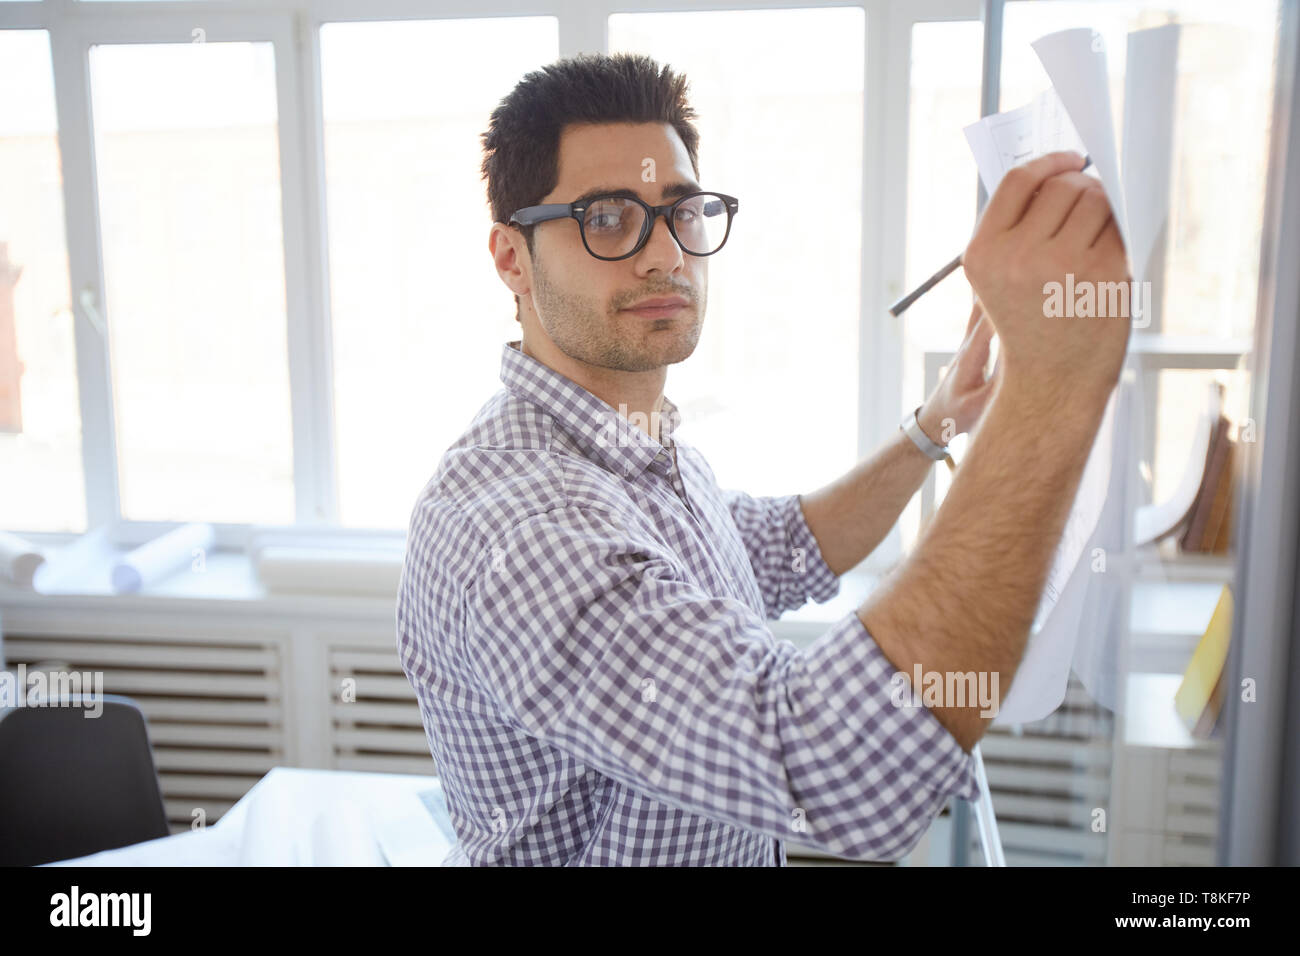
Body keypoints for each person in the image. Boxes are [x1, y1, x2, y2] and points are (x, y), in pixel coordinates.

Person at [395, 51, 1130, 865]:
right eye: (607, 217)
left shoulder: (633, 447)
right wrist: (1050, 386)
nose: (665, 255)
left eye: (682, 211)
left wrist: (938, 424)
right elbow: (836, 768)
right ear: (510, 259)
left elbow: (784, 547)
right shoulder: (520, 527)